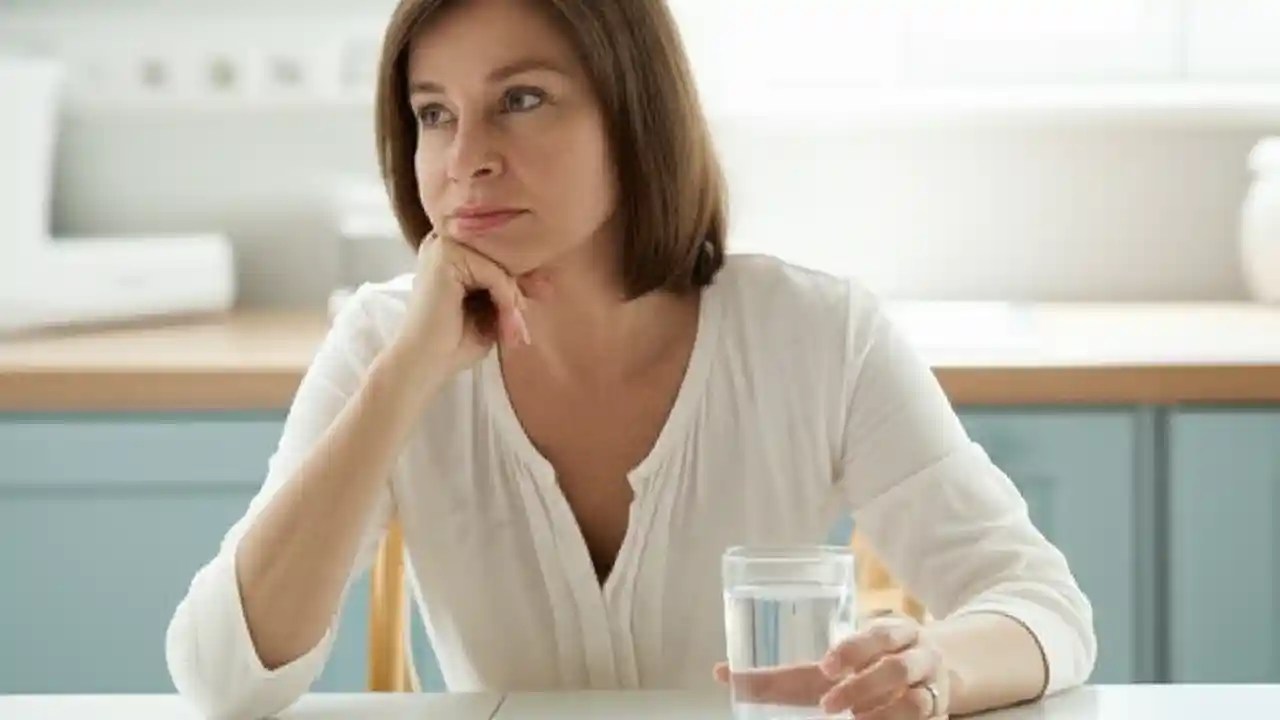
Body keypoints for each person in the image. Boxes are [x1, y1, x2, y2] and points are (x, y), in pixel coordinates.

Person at [166, 0, 1096, 718]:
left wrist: (937, 668)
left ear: (635, 114)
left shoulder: (817, 334)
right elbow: (220, 683)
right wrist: (403, 382)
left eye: (520, 100)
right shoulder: (384, 343)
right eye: (434, 113)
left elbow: (1040, 602)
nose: (466, 158)